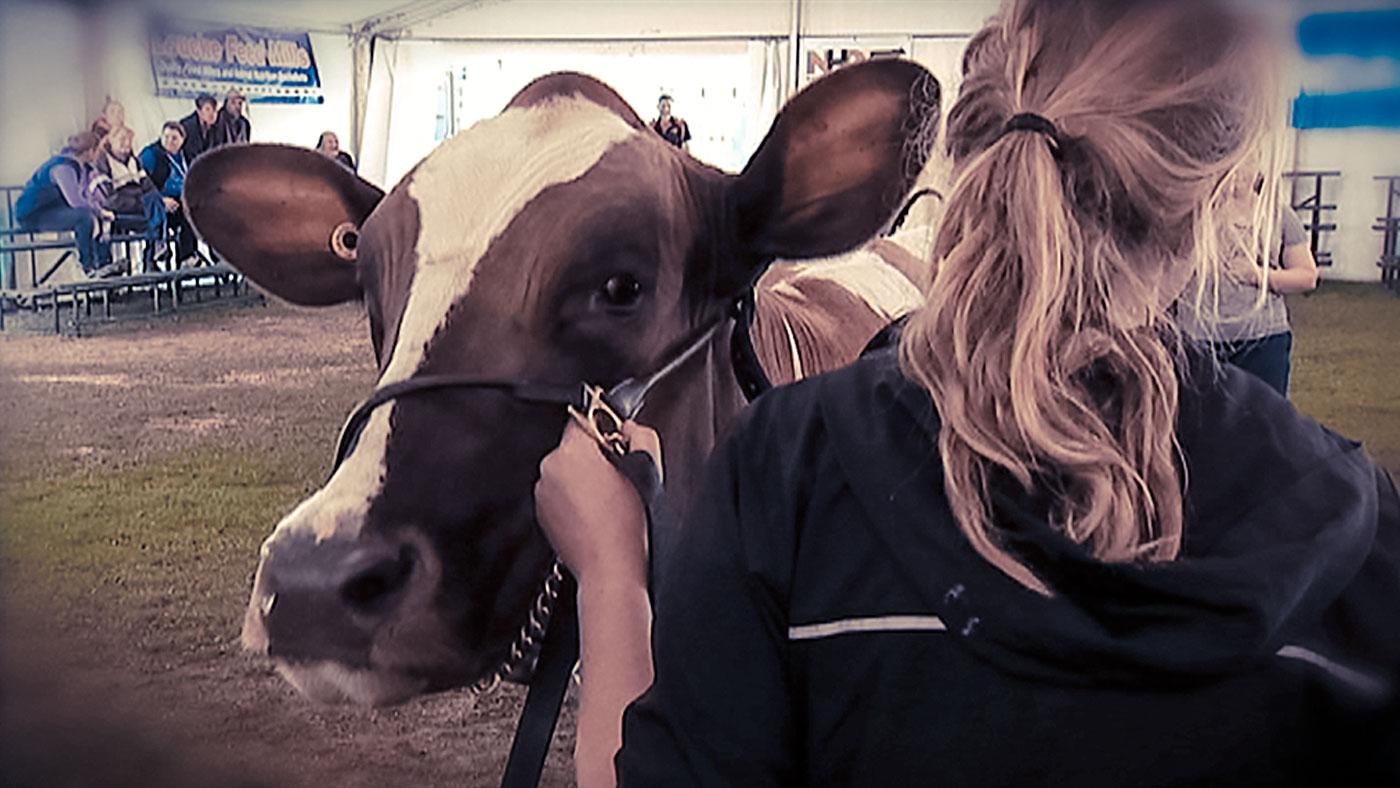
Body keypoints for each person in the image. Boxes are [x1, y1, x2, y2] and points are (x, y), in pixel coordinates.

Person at [534, 1, 1400, 786]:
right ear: (1214, 198)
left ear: (974, 151)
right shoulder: (1358, 539)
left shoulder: (785, 480)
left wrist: (612, 577)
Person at [1176, 194, 1319, 396]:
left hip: (1263, 340)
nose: (1238, 170)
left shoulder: (1277, 214)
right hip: (1199, 340)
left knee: (1266, 422)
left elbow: (1307, 276)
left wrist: (1257, 275)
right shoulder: (1191, 214)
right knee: (1197, 423)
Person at [14, 131, 117, 278]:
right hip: (33, 214)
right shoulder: (63, 167)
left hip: (50, 209)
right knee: (84, 217)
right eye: (98, 150)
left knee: (92, 217)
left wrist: (100, 210)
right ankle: (87, 266)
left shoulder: (80, 166)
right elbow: (75, 201)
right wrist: (98, 212)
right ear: (89, 151)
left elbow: (86, 196)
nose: (99, 154)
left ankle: (102, 263)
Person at [93, 125, 168, 271]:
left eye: (129, 140)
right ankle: (153, 255)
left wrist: (159, 199)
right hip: (117, 211)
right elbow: (107, 197)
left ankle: (154, 255)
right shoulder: (102, 162)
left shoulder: (135, 161)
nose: (126, 144)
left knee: (156, 206)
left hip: (138, 209)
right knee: (155, 216)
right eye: (122, 140)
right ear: (111, 140)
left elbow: (148, 186)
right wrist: (139, 202)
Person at [140, 122, 196, 266]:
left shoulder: (188, 155)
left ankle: (187, 256)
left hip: (180, 201)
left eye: (174, 138)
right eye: (166, 137)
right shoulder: (151, 155)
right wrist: (161, 200)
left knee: (190, 213)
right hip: (156, 203)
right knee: (163, 216)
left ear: (182, 140)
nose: (169, 141)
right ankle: (152, 260)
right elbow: (142, 184)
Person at [179, 93, 225, 162]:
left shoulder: (220, 125)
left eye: (215, 110)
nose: (212, 114)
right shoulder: (186, 126)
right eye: (208, 109)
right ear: (199, 111)